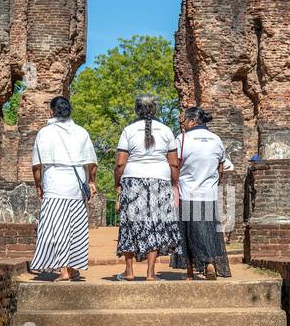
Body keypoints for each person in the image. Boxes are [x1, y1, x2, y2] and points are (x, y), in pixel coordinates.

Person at [30, 95, 97, 281]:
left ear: (52, 111)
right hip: (76, 185)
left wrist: (38, 185)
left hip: (54, 183)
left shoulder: (44, 133)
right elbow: (92, 163)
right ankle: (72, 268)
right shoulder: (81, 132)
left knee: (56, 228)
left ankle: (64, 270)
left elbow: (37, 165)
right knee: (75, 228)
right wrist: (92, 181)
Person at [113, 94, 180, 281]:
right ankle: (151, 272)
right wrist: (174, 184)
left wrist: (117, 184)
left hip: (133, 180)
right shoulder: (166, 131)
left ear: (137, 109)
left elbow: (120, 164)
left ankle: (129, 271)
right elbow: (174, 164)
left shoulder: (128, 130)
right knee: (155, 225)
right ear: (155, 109)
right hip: (160, 180)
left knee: (129, 224)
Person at [170, 106, 234, 280]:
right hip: (209, 194)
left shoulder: (182, 139)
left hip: (187, 192)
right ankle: (210, 263)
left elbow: (175, 165)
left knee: (188, 233)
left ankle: (190, 272)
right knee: (209, 231)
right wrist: (213, 183)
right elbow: (221, 167)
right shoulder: (216, 140)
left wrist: (173, 184)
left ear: (192, 121)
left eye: (184, 120)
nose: (182, 123)